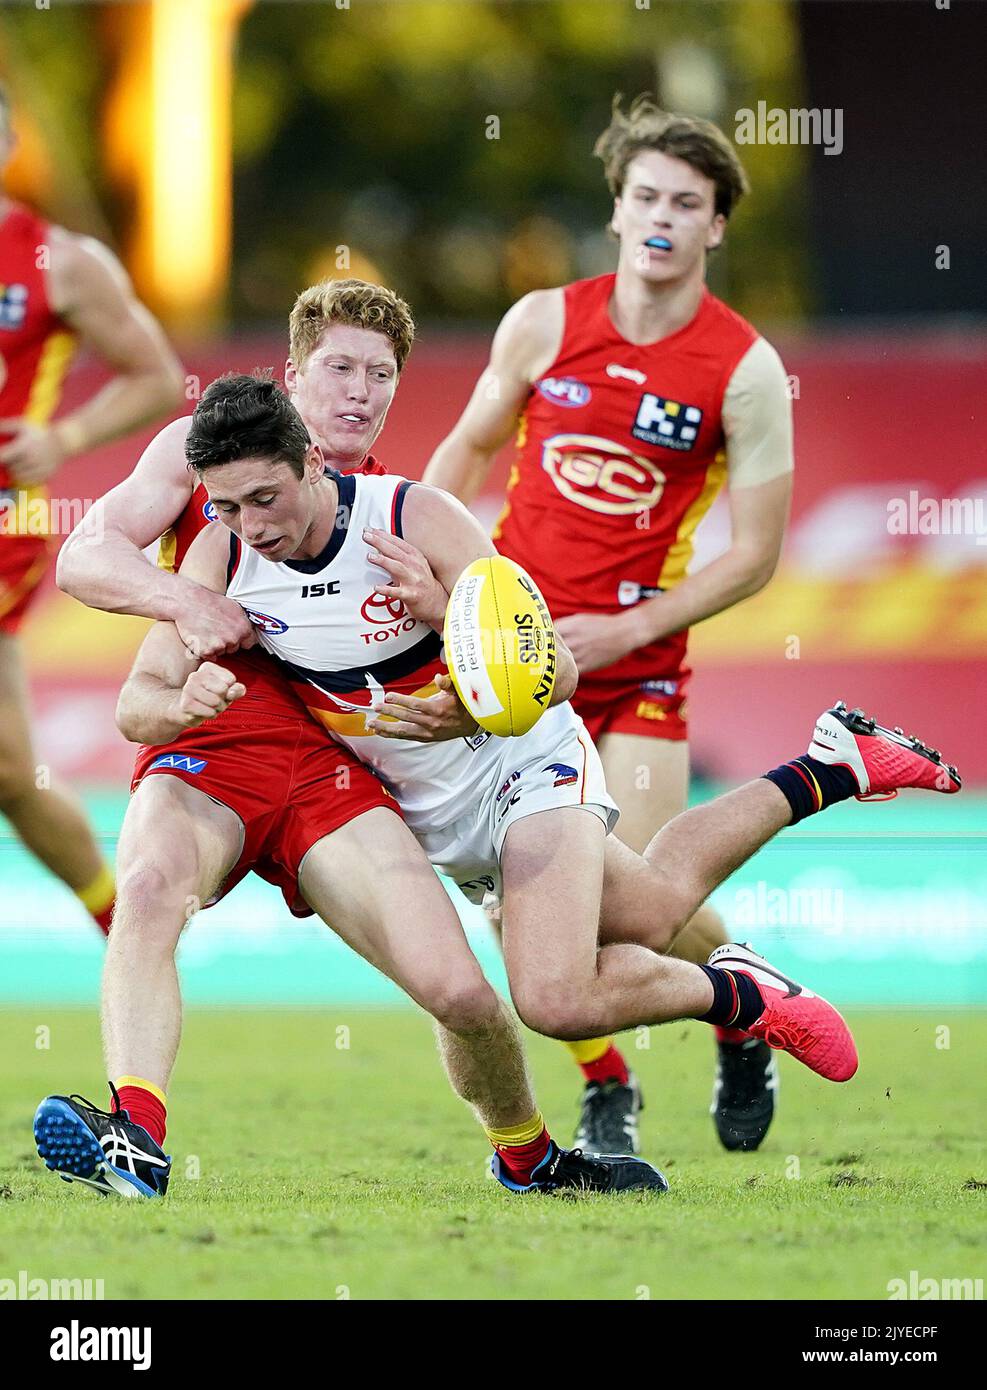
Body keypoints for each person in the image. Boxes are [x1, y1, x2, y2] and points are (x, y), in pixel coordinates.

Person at [103, 377, 960, 1169]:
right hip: (430, 814)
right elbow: (136, 706)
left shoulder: (413, 518)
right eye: (226, 506)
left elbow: (557, 672)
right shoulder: (223, 557)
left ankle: (733, 998)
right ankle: (832, 763)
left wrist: (455, 652)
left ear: (314, 462)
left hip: (518, 760)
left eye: (265, 497)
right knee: (655, 909)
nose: (251, 525)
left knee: (552, 998)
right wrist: (183, 704)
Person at [36, 288, 665, 1200]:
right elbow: (82, 560)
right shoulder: (200, 450)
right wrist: (188, 604)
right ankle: (136, 1137)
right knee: (147, 886)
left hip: (335, 766)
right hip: (213, 747)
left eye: (380, 375)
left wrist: (462, 688)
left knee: (467, 994)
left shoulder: (385, 507)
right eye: (339, 369)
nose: (359, 393)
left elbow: (519, 656)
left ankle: (535, 1154)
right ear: (292, 377)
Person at [424, 95, 795, 1155]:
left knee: (639, 908)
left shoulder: (746, 369)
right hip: (514, 668)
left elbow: (755, 553)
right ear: (619, 209)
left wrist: (626, 634)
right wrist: (452, 586)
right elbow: (459, 459)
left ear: (717, 224)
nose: (662, 217)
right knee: (518, 908)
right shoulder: (544, 319)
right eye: (645, 197)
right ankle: (610, 1085)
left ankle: (737, 1005)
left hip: (641, 671)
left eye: (687, 201)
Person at [0, 82, 184, 936]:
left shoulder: (58, 260)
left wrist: (62, 438)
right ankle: (126, 925)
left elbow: (154, 371)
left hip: (5, 526)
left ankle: (125, 928)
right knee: (7, 770)